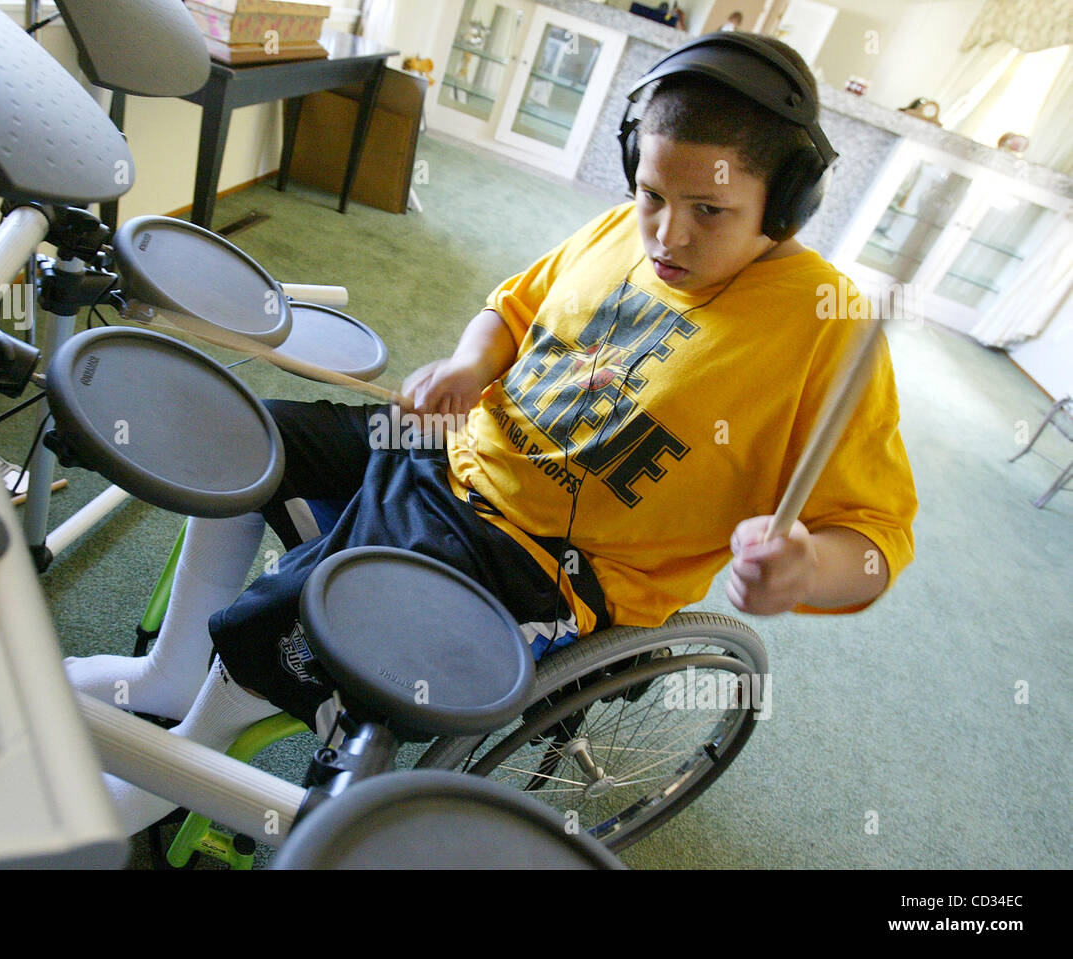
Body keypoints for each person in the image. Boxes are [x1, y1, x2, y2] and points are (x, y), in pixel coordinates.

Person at [66, 33, 917, 832]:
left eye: (711, 210)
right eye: (652, 194)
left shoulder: (827, 332)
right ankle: (169, 676)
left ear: (788, 206)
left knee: (287, 619)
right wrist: (472, 366)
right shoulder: (626, 228)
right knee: (237, 441)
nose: (668, 233)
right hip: (450, 450)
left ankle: (192, 742)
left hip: (536, 560)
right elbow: (510, 307)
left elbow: (875, 540)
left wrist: (808, 564)